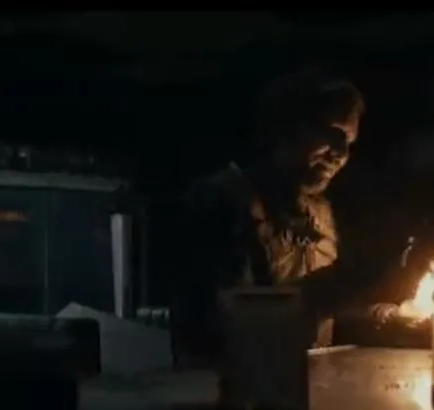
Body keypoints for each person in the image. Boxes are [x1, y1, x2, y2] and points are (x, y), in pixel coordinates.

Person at [171, 68, 412, 365]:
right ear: (286, 128)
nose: (341, 153)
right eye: (332, 133)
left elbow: (322, 320)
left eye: (349, 143)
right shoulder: (220, 204)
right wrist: (338, 283)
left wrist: (384, 316)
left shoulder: (319, 213)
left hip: (307, 387)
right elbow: (218, 329)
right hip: (230, 390)